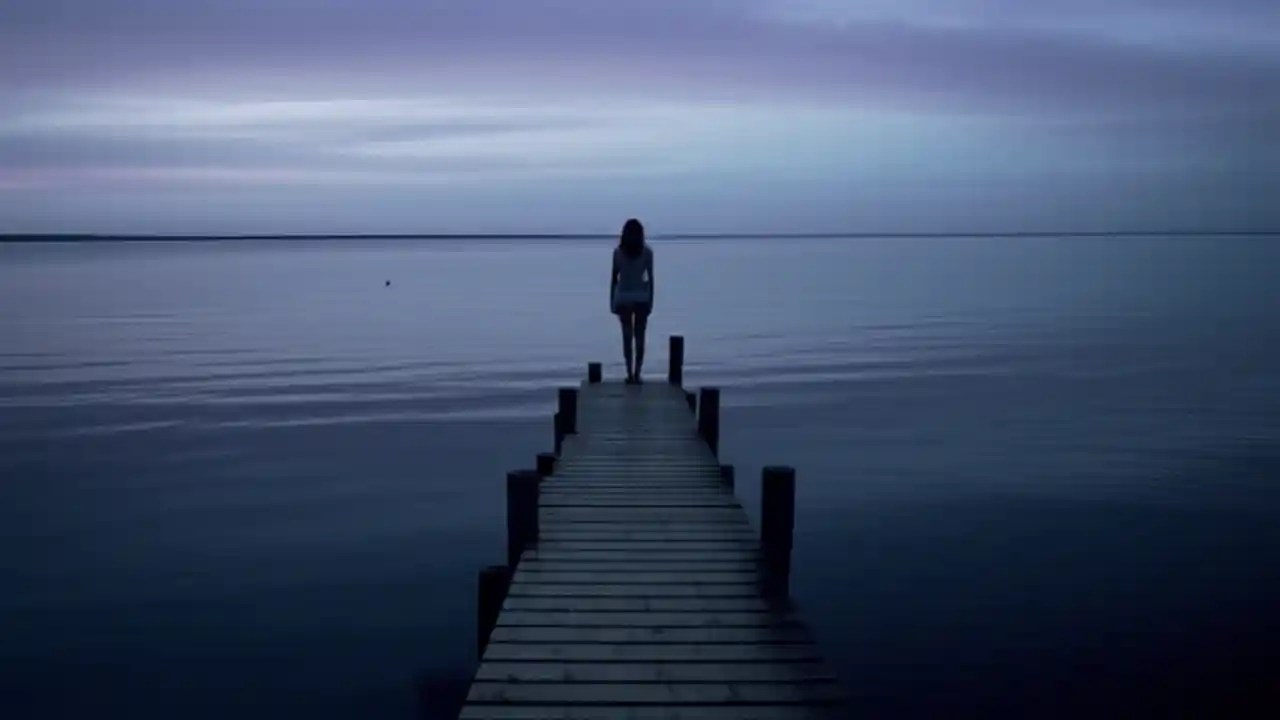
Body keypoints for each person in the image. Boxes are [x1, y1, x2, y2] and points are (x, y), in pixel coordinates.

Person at [610, 218, 654, 384]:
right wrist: (651, 300)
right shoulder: (647, 252)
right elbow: (651, 279)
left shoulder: (618, 253)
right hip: (642, 296)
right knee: (640, 337)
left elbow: (614, 279)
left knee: (627, 337)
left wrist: (611, 301)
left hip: (623, 297)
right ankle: (637, 373)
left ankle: (629, 373)